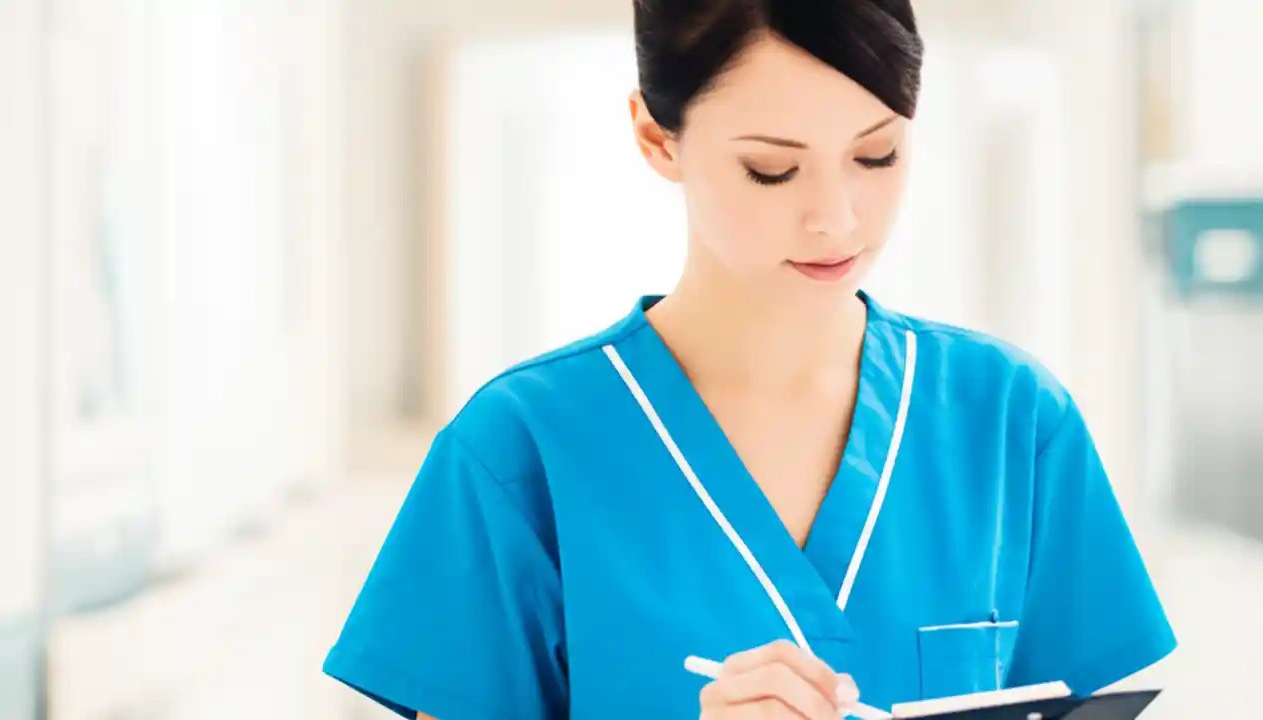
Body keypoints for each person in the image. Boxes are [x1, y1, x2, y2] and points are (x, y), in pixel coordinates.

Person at [322, 1, 1177, 717]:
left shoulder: (1011, 420)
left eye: (876, 155)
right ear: (658, 139)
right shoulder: (522, 452)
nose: (838, 219)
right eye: (773, 170)